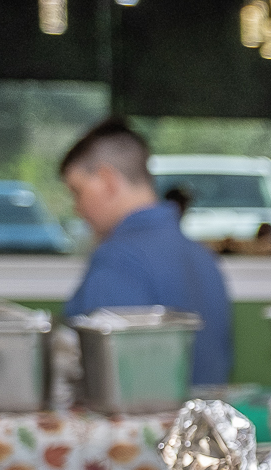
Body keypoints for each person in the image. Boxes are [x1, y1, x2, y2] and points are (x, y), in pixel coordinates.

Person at [60, 118, 232, 386]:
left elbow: (111, 380)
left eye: (77, 191)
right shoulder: (201, 257)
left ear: (107, 181)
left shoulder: (119, 259)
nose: (77, 208)